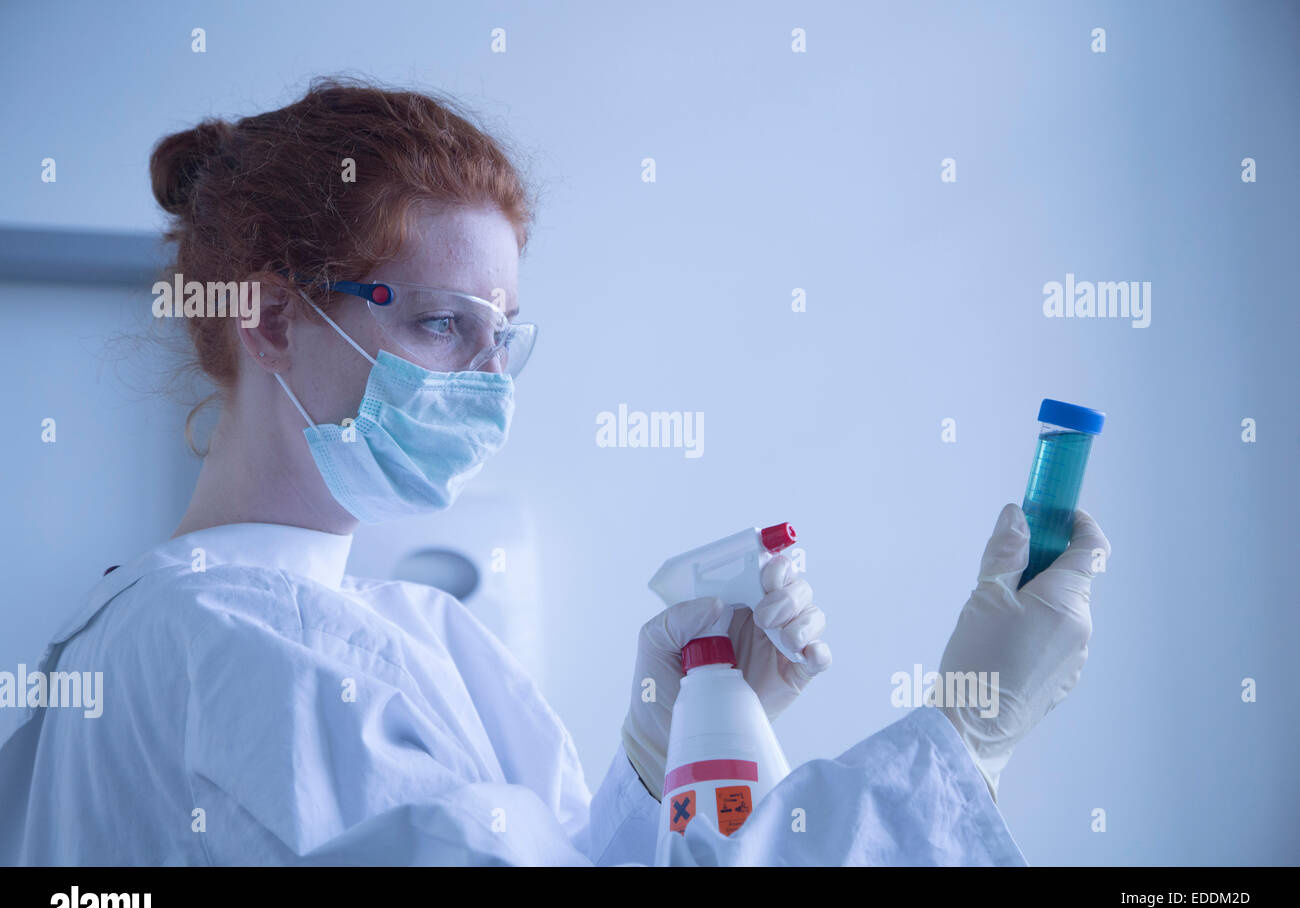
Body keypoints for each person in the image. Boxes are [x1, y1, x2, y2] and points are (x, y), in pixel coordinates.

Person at [0, 79, 1109, 865]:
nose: (489, 379)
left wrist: (658, 758)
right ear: (275, 315)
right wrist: (965, 737)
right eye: (442, 322)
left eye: (504, 334)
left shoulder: (371, 633)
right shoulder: (242, 648)